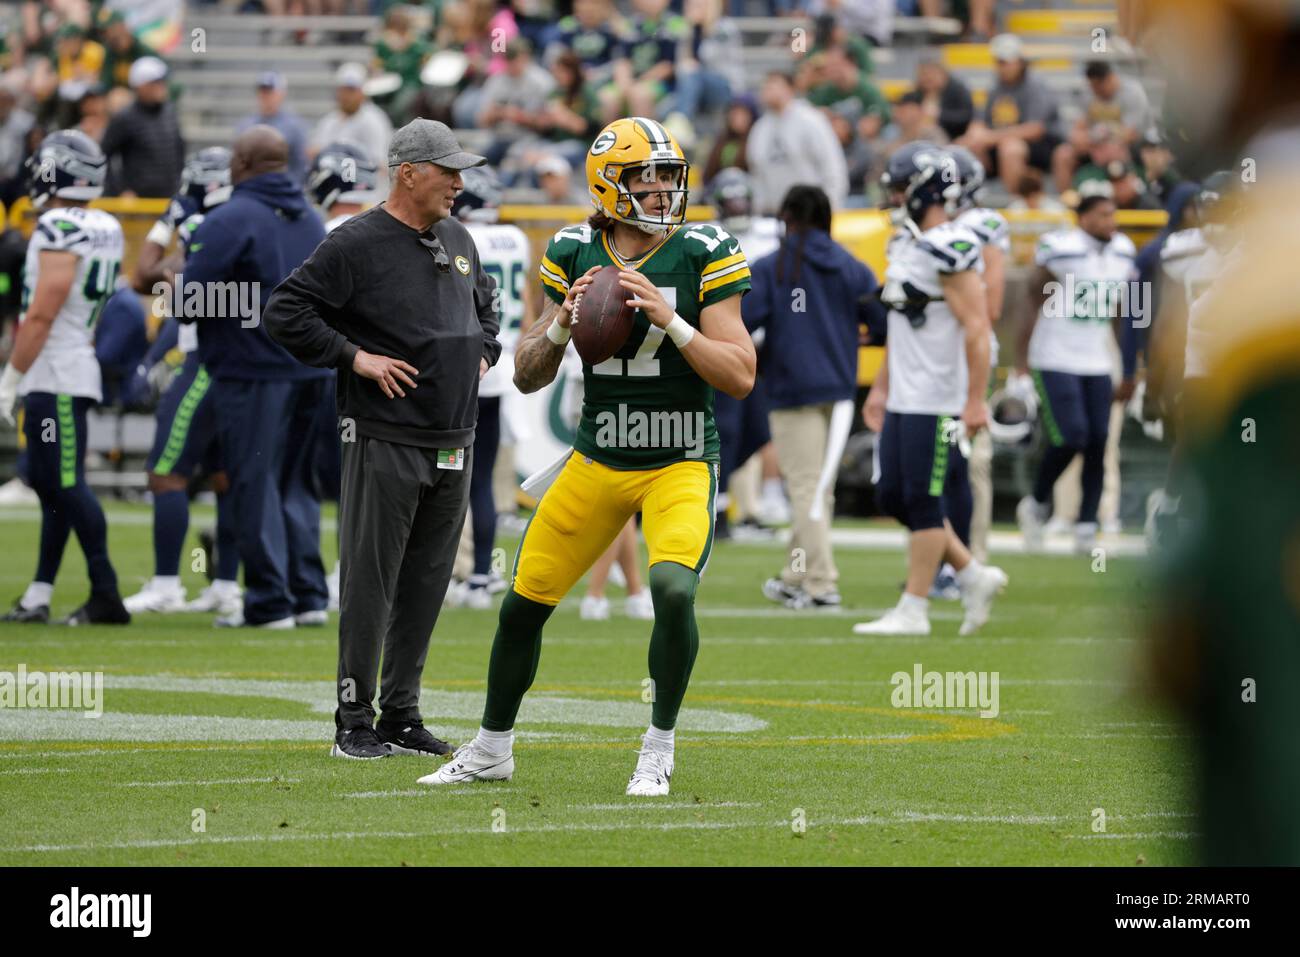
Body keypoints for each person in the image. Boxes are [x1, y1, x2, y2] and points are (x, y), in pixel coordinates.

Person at [420, 116, 755, 795]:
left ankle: (658, 745)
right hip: (598, 458)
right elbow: (525, 371)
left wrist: (672, 320)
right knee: (521, 604)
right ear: (610, 184)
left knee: (671, 588)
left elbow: (740, 372)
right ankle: (491, 747)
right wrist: (564, 323)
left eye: (668, 176)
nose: (663, 190)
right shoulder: (574, 246)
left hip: (680, 458)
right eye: (647, 178)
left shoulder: (703, 248)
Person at [264, 119, 500, 760]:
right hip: (384, 436)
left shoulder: (457, 237)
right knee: (370, 584)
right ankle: (352, 720)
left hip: (455, 437)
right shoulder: (355, 242)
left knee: (427, 585)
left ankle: (401, 713)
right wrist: (353, 356)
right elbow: (285, 311)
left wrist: (486, 349)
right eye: (448, 170)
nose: (458, 182)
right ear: (407, 173)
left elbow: (486, 306)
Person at [180, 126, 331, 629]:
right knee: (295, 484)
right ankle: (308, 594)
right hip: (311, 369)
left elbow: (187, 301)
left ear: (240, 163)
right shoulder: (311, 219)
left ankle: (268, 601)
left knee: (253, 480)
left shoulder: (230, 218)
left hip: (251, 369)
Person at [855, 143, 1007, 636]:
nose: (893, 196)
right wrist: (880, 388)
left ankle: (914, 608)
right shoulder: (906, 243)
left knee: (922, 499)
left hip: (939, 396)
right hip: (905, 393)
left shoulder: (953, 246)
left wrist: (974, 399)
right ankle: (971, 572)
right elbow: (902, 329)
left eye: (900, 187)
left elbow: (978, 326)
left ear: (924, 190)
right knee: (892, 495)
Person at [0, 130, 130, 625]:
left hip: (56, 373)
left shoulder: (57, 224)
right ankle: (39, 592)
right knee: (49, 483)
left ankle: (107, 591)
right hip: (66, 369)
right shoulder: (105, 224)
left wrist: (11, 376)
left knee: (67, 482)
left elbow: (42, 313)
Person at [745, 184, 882, 607]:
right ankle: (795, 574)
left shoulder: (773, 266)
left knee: (805, 488)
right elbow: (881, 322)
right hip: (841, 390)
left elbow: (744, 320)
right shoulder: (851, 265)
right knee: (819, 489)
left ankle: (822, 584)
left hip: (792, 388)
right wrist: (851, 338)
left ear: (787, 217)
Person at [123, 147, 242, 616]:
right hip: (239, 364)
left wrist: (165, 224)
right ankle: (227, 584)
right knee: (223, 477)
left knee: (165, 472)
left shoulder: (205, 228)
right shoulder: (244, 223)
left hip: (205, 361)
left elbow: (142, 276)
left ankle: (168, 584)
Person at [1015, 187, 1137, 554]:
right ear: (1083, 218)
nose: (1110, 222)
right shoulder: (1060, 248)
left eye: (1113, 215)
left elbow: (1125, 310)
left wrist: (1129, 366)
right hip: (1054, 355)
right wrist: (1021, 363)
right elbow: (1032, 301)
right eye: (1102, 215)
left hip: (1096, 358)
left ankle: (1087, 525)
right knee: (1072, 436)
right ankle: (1036, 503)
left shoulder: (1122, 252)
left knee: (1099, 442)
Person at [304, 142, 383, 611]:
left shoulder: (326, 234)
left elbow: (299, 309)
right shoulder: (381, 230)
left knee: (334, 483)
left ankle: (335, 576)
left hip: (335, 371)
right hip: (379, 374)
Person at [449, 165, 531, 609]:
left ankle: (456, 571)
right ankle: (481, 573)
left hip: (467, 369)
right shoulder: (514, 237)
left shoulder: (464, 239)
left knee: (452, 474)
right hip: (500, 366)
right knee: (480, 480)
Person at [946, 145, 1008, 568]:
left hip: (967, 348)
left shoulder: (983, 226)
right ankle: (943, 558)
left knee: (971, 459)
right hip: (934, 354)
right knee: (940, 461)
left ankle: (973, 558)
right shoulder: (929, 229)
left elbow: (992, 308)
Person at [957, 33, 1061, 192]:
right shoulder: (995, 87)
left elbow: (1035, 129)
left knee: (1011, 149)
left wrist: (990, 138)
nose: (1001, 67)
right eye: (998, 62)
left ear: (1019, 62)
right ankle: (969, 200)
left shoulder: (1035, 86)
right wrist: (975, 135)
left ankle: (1016, 203)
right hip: (999, 142)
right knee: (961, 147)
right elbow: (979, 120)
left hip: (1039, 146)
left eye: (1005, 62)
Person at [747, 71, 848, 214]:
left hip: (812, 213)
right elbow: (756, 174)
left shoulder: (811, 120)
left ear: (790, 89)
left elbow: (832, 166)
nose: (768, 90)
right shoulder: (759, 128)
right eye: (766, 85)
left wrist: (830, 205)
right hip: (775, 214)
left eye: (774, 84)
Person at [100, 56, 185, 198]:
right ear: (141, 86)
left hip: (169, 197)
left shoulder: (170, 111)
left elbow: (179, 150)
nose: (162, 87)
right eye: (156, 83)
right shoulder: (125, 117)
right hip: (138, 203)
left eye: (162, 82)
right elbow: (103, 156)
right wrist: (119, 190)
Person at [236, 72, 309, 186]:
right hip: (252, 187)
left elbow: (300, 164)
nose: (265, 96)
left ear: (281, 94)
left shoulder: (294, 126)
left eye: (270, 92)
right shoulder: (245, 125)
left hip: (283, 187)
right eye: (262, 91)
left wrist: (292, 189)